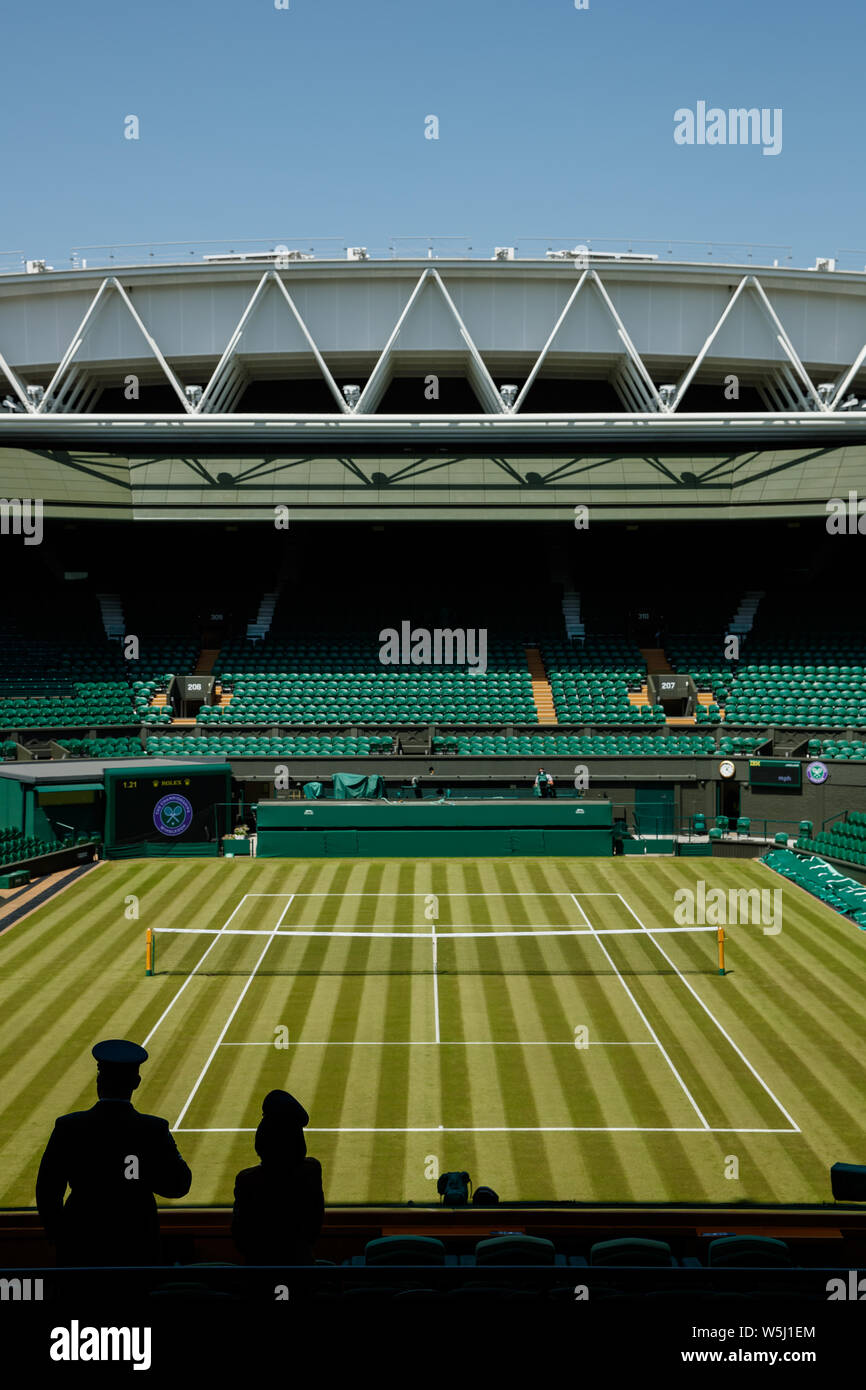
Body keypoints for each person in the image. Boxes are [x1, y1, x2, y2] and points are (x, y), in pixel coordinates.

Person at [35, 1040, 192, 1266]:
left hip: (81, 1245)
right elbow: (179, 1185)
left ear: (99, 1080)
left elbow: (47, 1190)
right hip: (137, 1244)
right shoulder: (153, 1129)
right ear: (136, 1082)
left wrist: (61, 1237)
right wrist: (139, 1175)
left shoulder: (69, 1127)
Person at [232, 1090, 324, 1265]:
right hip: (301, 1269)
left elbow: (241, 1239)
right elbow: (313, 1229)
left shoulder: (246, 1180)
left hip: (260, 1272)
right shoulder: (312, 1171)